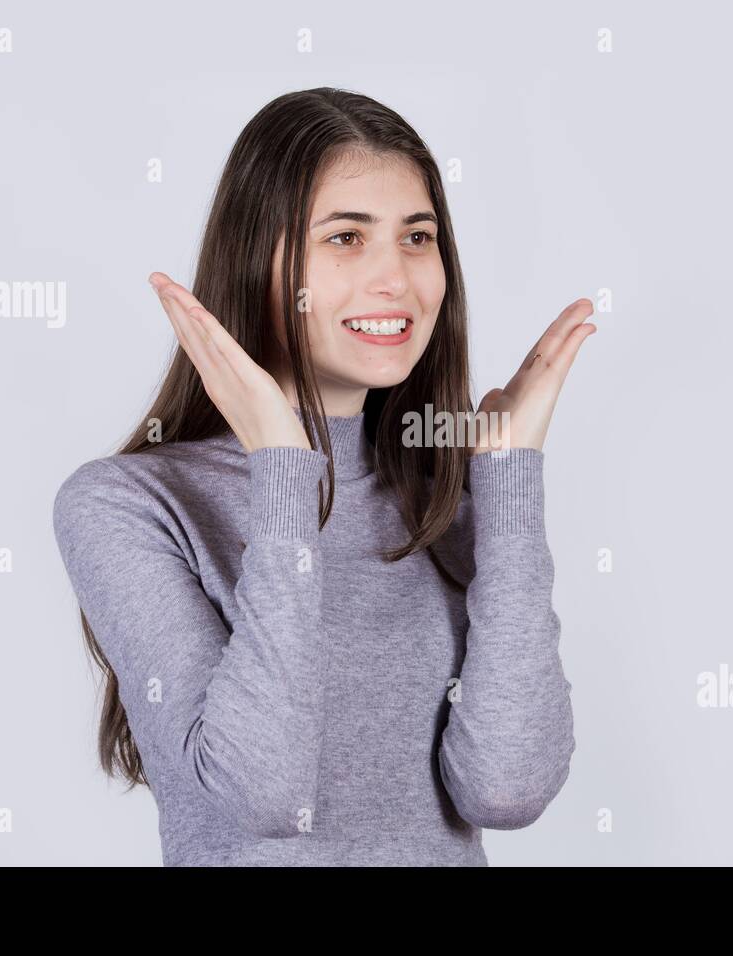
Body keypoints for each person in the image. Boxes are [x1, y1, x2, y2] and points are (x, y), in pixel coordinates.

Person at [52, 87, 596, 865]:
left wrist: (508, 480)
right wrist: (282, 471)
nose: (396, 280)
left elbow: (506, 789)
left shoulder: (452, 495)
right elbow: (264, 795)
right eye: (345, 237)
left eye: (418, 237)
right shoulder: (128, 505)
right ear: (257, 257)